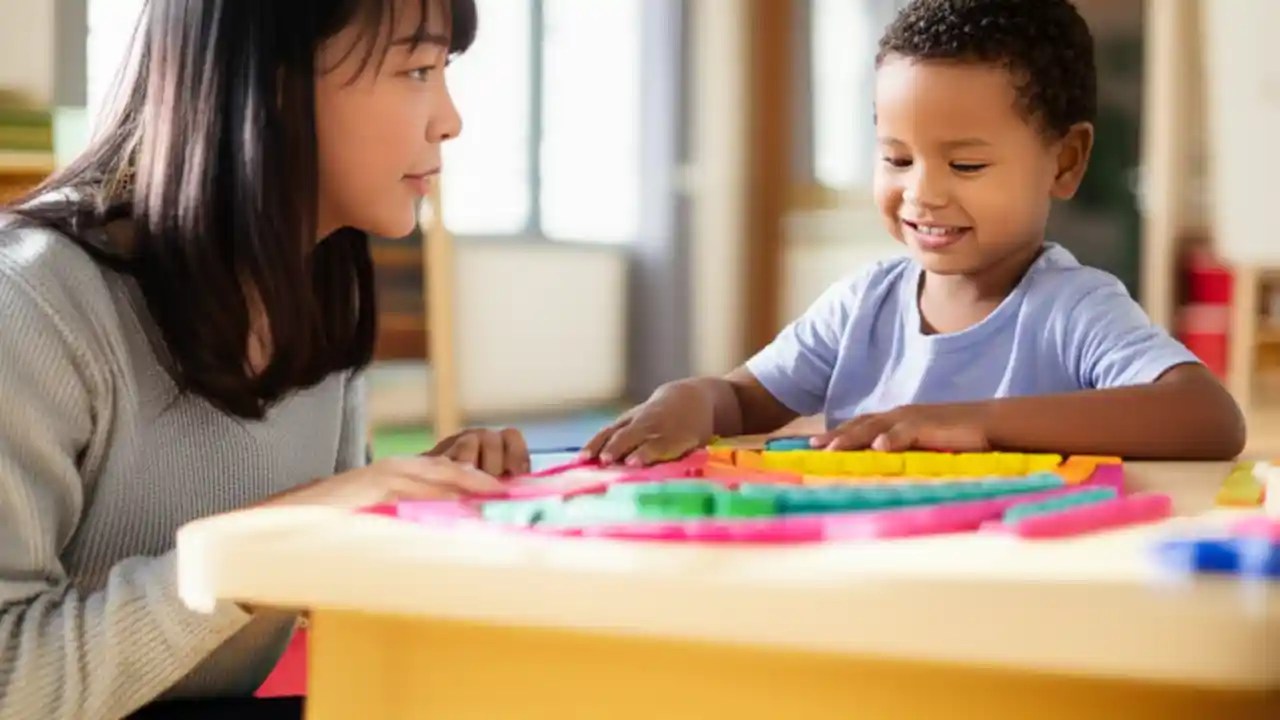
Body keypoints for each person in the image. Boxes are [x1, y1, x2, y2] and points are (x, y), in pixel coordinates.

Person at [0, 0, 530, 717]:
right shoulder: (33, 302)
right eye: (416, 70)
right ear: (273, 90)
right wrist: (259, 542)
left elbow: (318, 580)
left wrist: (407, 499)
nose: (450, 118)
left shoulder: (320, 289)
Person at [585, 0, 1245, 467]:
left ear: (1065, 161)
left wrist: (977, 422)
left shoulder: (1071, 308)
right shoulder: (862, 305)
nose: (922, 192)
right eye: (896, 158)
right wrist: (690, 398)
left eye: (966, 164)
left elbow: (1209, 418)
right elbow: (741, 399)